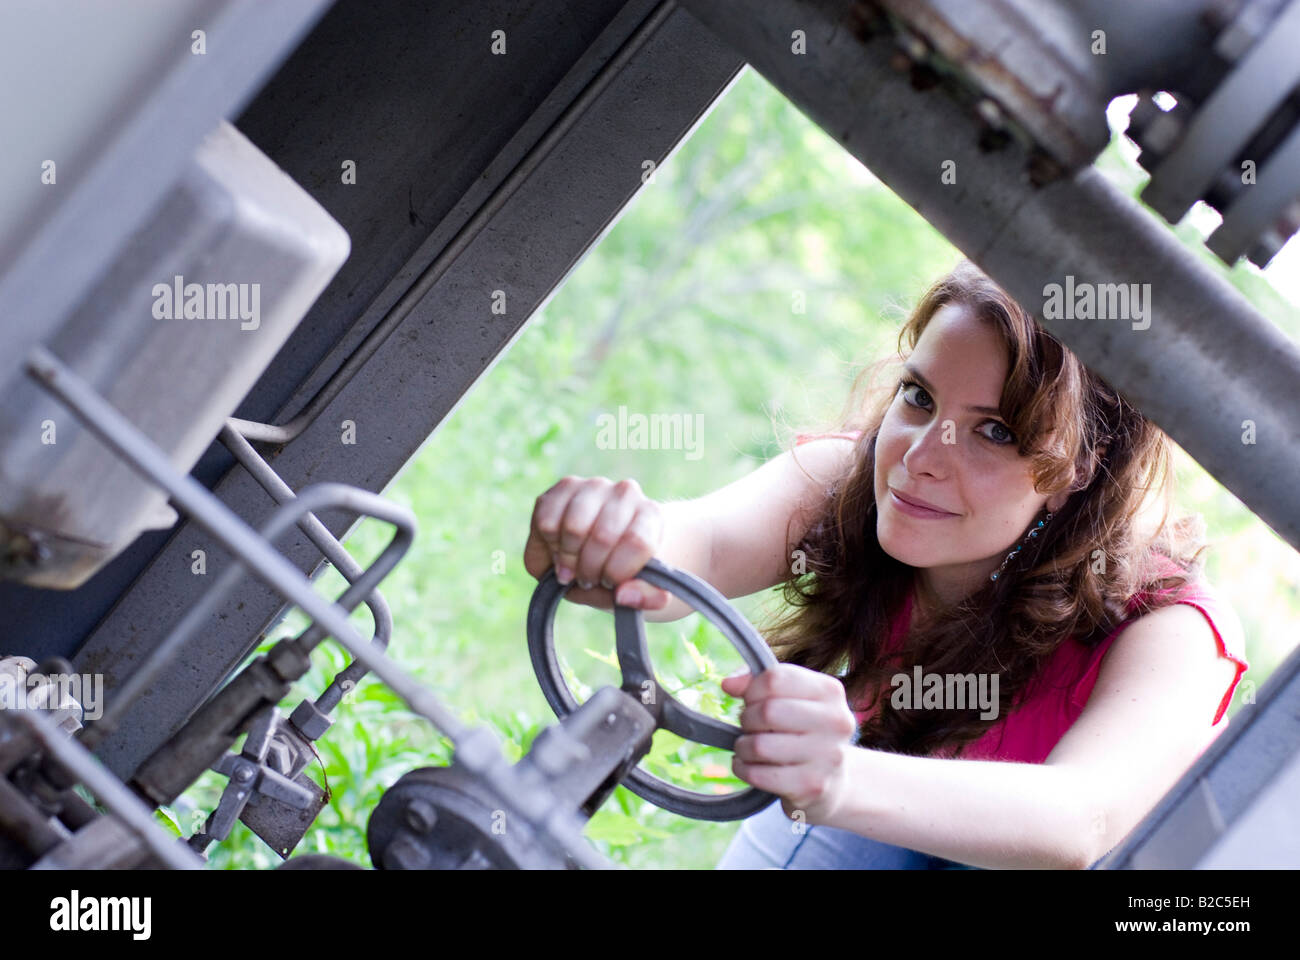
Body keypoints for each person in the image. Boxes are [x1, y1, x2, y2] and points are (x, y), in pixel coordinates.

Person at [522, 259, 1248, 870]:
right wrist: (619, 541)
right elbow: (702, 544)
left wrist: (839, 776)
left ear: (1076, 472)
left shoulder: (1172, 629)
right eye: (919, 397)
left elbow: (1080, 821)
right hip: (877, 810)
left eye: (993, 431)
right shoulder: (855, 479)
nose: (921, 459)